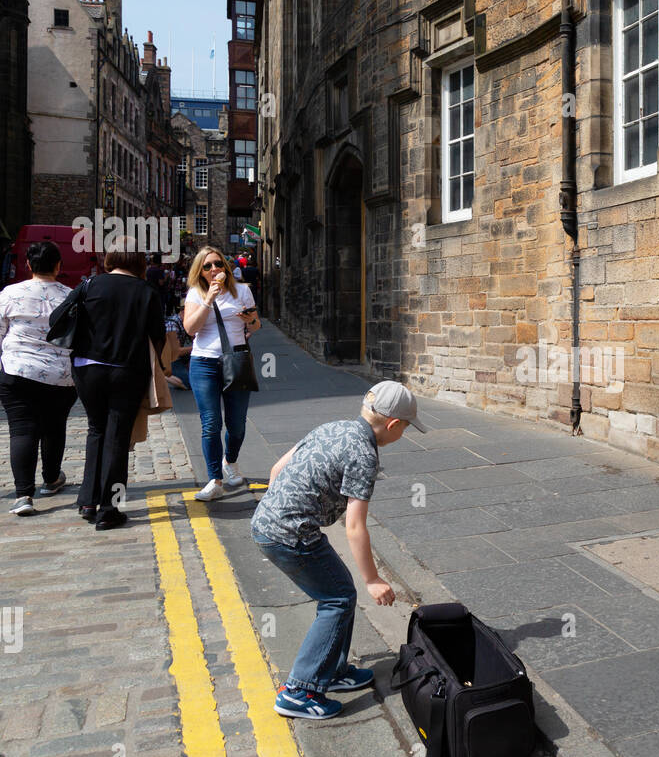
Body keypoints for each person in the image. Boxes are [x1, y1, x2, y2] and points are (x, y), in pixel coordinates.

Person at [251, 382, 424, 719]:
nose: (405, 432)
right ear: (393, 425)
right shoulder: (364, 455)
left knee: (339, 591)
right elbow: (355, 525)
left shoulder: (333, 427)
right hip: (291, 534)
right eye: (406, 426)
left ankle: (331, 669)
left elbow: (276, 470)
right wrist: (373, 579)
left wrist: (278, 510)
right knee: (339, 598)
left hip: (267, 521)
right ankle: (300, 691)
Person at [52, 237, 165, 530]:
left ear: (110, 258)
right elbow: (158, 336)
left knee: (96, 430)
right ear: (139, 261)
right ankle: (109, 510)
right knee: (117, 436)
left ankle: (88, 501)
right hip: (127, 371)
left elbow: (56, 318)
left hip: (87, 369)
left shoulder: (89, 285)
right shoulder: (147, 291)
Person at [0, 242, 77, 515]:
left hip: (18, 372)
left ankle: (23, 495)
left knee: (22, 430)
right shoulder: (71, 296)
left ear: (29, 265)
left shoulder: (11, 293)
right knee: (55, 427)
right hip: (61, 376)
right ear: (59, 266)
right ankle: (52, 478)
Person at [182, 245, 261, 501]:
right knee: (211, 423)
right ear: (200, 271)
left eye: (218, 263)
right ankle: (214, 479)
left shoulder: (243, 291)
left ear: (226, 266)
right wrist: (208, 300)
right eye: (207, 266)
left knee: (236, 424)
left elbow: (256, 324)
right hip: (204, 363)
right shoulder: (196, 294)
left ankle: (231, 461)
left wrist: (249, 320)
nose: (214, 269)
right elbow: (191, 330)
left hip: (236, 362)